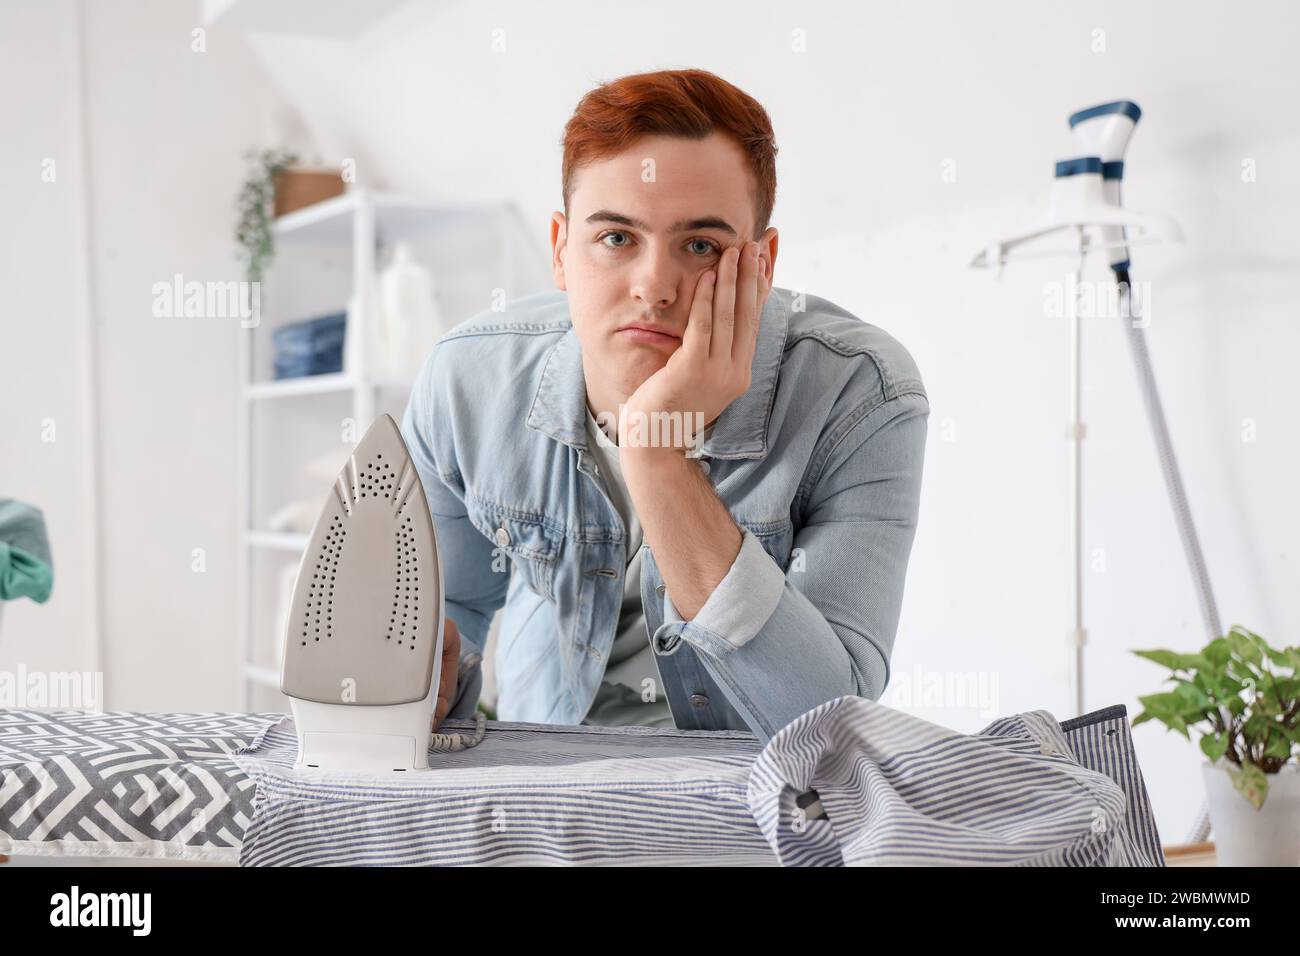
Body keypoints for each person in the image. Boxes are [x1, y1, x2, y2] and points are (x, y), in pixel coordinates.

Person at [409, 68, 928, 742]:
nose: (654, 289)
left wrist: (656, 449)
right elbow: (457, 603)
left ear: (762, 264)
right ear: (563, 249)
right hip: (545, 774)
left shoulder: (861, 394)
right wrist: (428, 677)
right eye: (617, 238)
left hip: (748, 801)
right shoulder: (468, 379)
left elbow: (827, 723)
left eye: (701, 246)